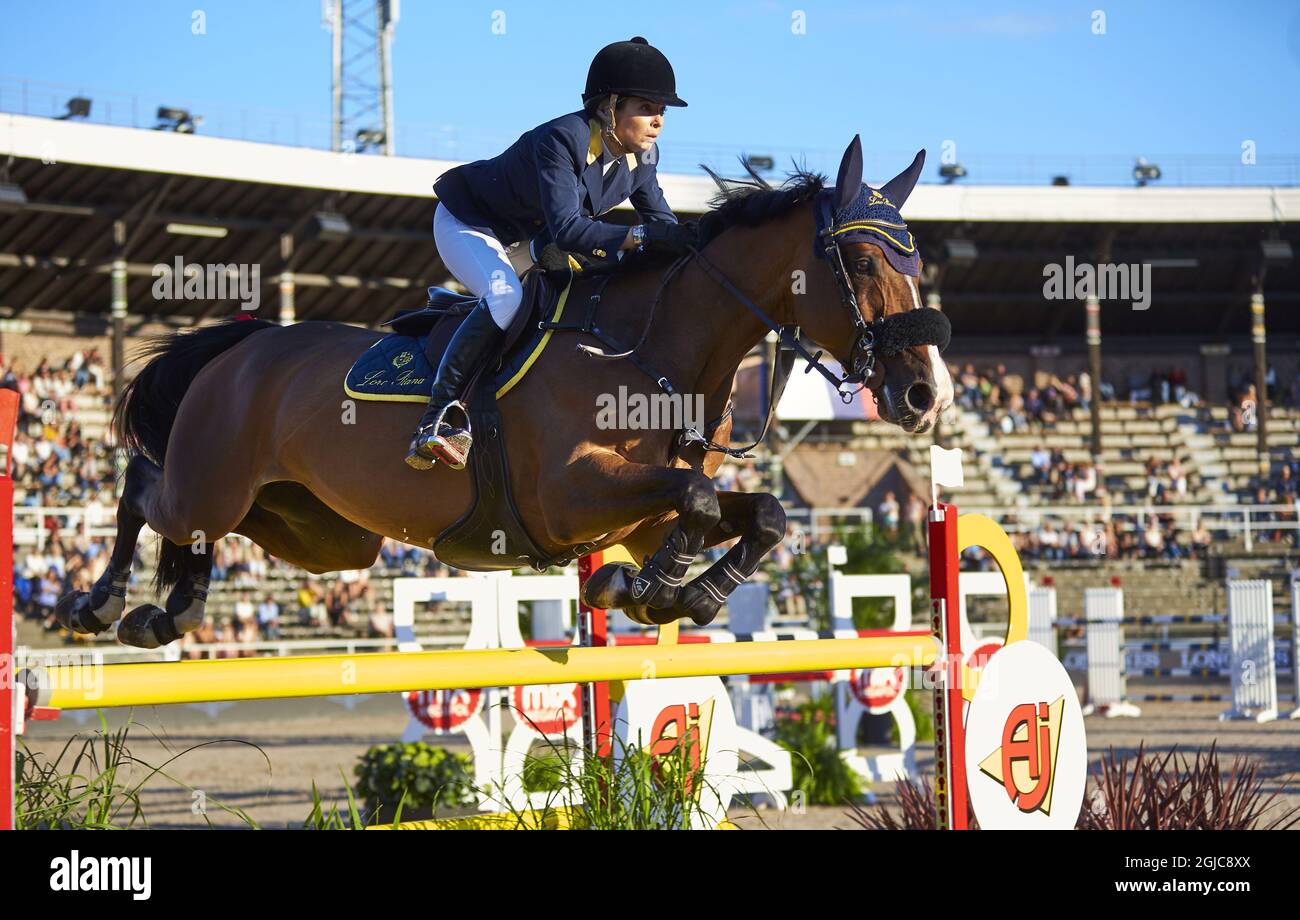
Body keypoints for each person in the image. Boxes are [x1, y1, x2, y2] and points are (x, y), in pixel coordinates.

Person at [407, 36, 696, 470]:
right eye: (645, 107)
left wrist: (695, 245)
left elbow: (664, 226)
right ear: (609, 107)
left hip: (535, 241)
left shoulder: (644, 157)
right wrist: (641, 237)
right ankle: (438, 419)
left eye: (662, 111)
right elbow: (571, 228)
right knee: (506, 298)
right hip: (472, 224)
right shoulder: (563, 138)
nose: (658, 121)